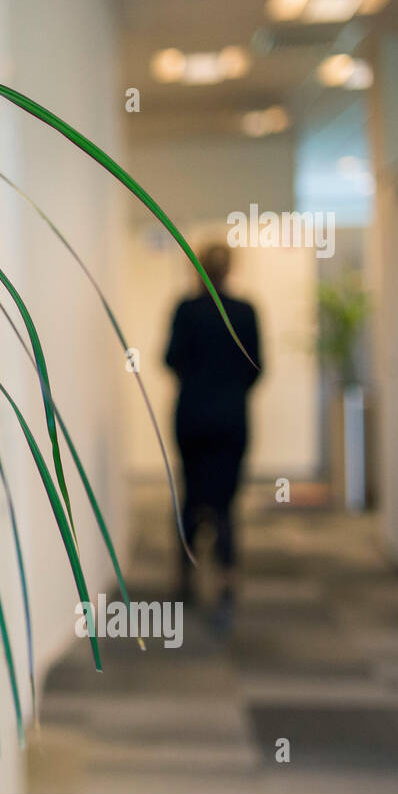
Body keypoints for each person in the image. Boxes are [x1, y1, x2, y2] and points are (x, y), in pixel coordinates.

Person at [163, 243, 261, 627]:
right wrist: (231, 392)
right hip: (231, 419)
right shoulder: (245, 311)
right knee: (225, 501)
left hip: (191, 416)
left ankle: (185, 575)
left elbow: (170, 359)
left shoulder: (186, 310)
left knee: (191, 493)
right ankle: (227, 580)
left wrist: (198, 382)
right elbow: (257, 366)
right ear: (230, 268)